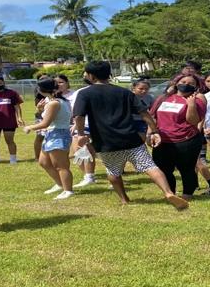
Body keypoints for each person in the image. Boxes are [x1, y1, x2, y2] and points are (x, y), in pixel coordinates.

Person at [70, 60, 189, 210]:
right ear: (109, 74)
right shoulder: (124, 92)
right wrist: (154, 131)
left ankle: (124, 199)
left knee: (113, 172)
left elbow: (79, 116)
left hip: (105, 141)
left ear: (91, 76)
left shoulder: (84, 93)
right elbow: (144, 113)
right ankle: (168, 192)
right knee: (149, 166)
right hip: (131, 138)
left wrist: (81, 134)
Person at [148, 73, 206, 198]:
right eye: (183, 82)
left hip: (186, 140)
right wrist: (151, 133)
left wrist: (191, 105)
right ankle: (171, 193)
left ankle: (187, 194)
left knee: (186, 169)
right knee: (163, 169)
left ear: (196, 86)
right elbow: (152, 117)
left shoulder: (198, 101)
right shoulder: (164, 98)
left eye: (191, 83)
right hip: (163, 140)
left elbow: (193, 121)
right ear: (176, 83)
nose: (186, 85)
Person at [19, 76, 74, 199]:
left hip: (58, 134)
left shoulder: (54, 103)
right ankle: (60, 185)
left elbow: (45, 123)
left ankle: (68, 190)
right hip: (51, 134)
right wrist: (40, 110)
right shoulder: (54, 101)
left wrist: (30, 127)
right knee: (43, 162)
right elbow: (48, 119)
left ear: (42, 89)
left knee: (61, 166)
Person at [57, 73, 97, 187]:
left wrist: (76, 124)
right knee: (82, 151)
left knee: (82, 150)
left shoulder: (80, 92)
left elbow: (77, 110)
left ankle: (89, 176)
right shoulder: (82, 91)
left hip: (85, 124)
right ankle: (88, 176)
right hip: (85, 124)